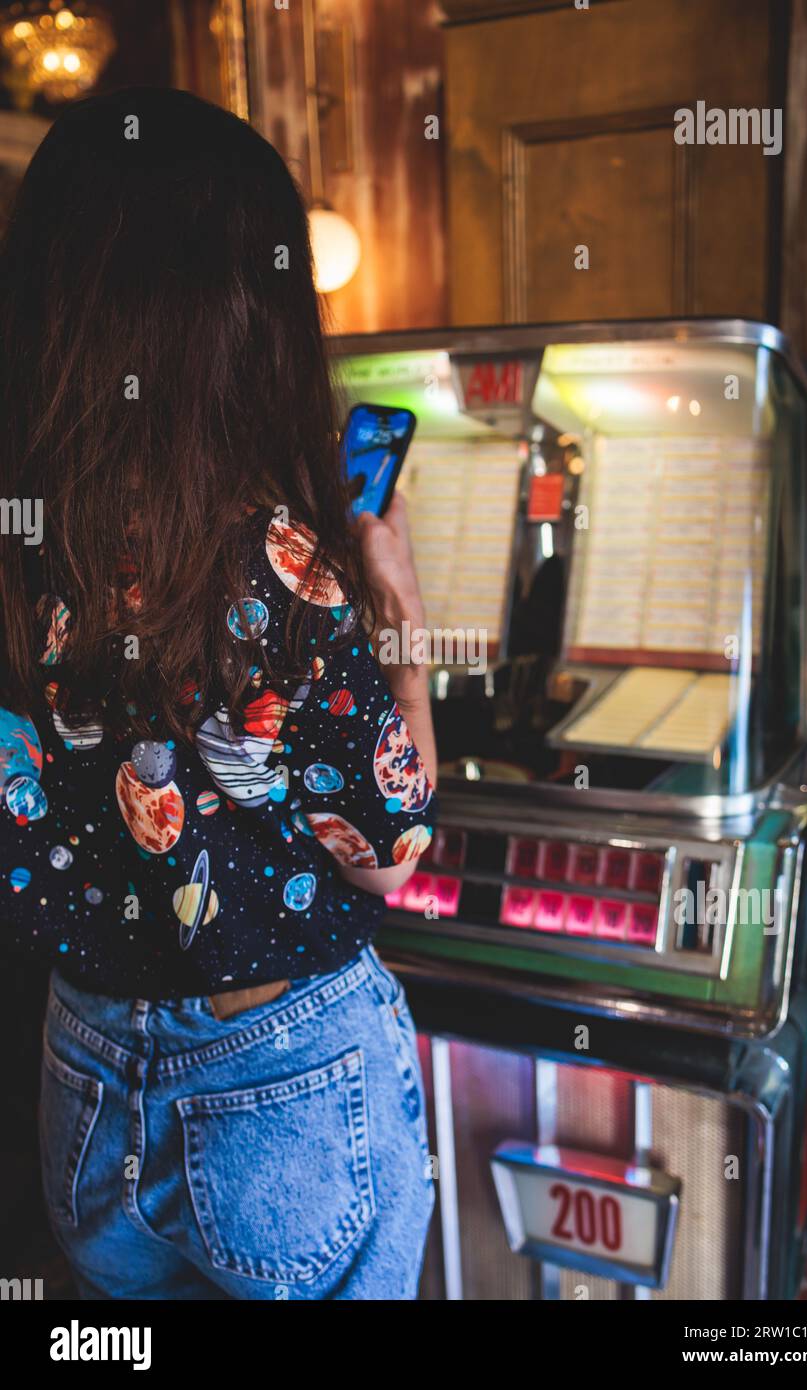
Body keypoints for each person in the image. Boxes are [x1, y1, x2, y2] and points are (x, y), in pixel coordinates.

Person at [0, 87, 438, 1300]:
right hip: (281, 1078)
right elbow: (389, 848)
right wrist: (398, 607)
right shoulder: (285, 564)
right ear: (244, 316)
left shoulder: (22, 542)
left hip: (80, 1071)